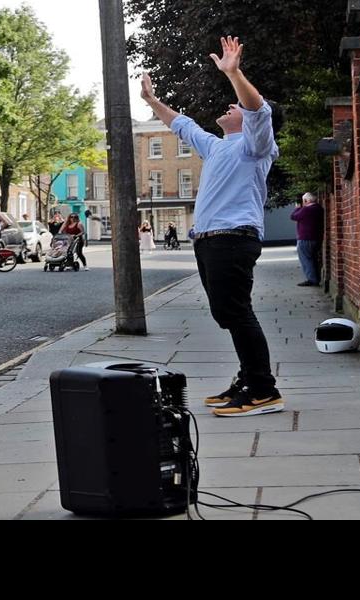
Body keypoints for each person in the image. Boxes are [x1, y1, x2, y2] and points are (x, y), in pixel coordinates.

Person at [141, 35, 285, 417]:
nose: (231, 105)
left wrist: (234, 72)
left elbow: (258, 110)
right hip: (209, 241)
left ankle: (263, 390)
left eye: (236, 106)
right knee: (227, 313)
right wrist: (152, 101)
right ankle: (248, 376)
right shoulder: (218, 145)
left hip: (233, 238)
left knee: (236, 312)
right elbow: (183, 126)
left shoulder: (256, 146)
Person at [290, 193, 324, 286]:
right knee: (313, 259)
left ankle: (312, 279)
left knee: (306, 259)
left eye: (303, 201)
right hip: (316, 238)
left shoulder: (306, 209)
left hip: (305, 238)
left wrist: (297, 208)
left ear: (306, 201)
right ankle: (316, 278)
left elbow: (293, 216)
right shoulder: (319, 208)